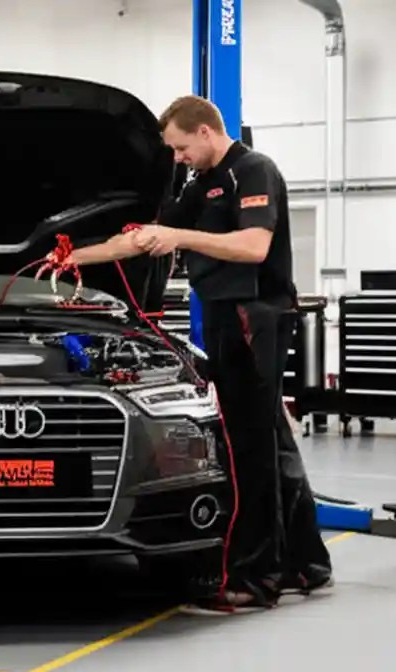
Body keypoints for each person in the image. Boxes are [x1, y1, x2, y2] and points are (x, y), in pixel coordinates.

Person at [61, 95, 332, 610]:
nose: (178, 158)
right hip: (228, 317)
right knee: (272, 444)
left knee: (249, 452)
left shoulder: (253, 171)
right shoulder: (202, 183)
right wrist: (72, 256)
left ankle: (256, 580)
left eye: (182, 147)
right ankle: (307, 563)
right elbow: (143, 239)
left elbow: (253, 246)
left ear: (205, 132)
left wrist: (179, 235)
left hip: (256, 318)